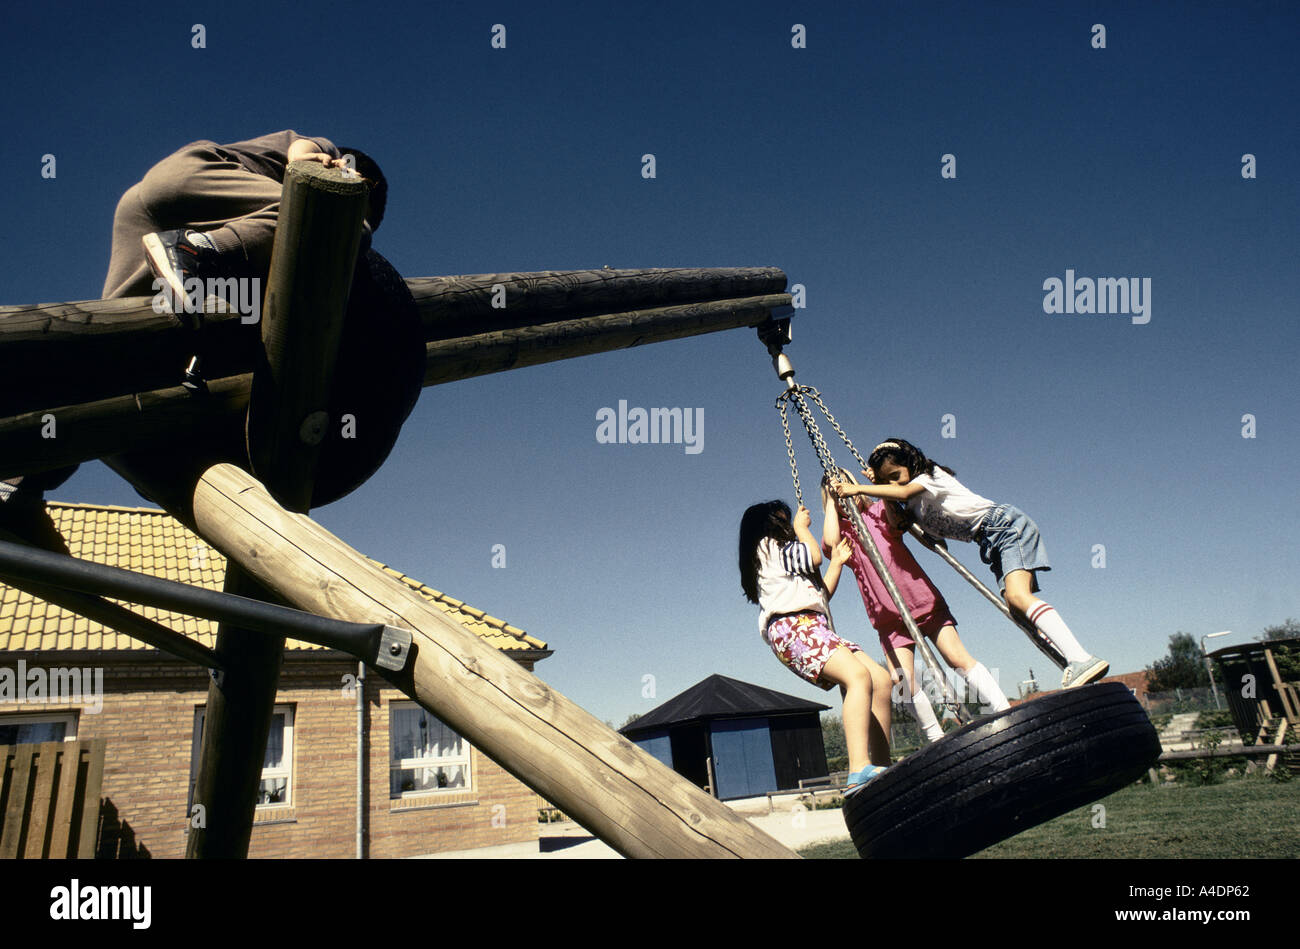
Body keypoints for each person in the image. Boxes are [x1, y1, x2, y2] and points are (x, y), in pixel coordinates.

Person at [831, 438, 1109, 690]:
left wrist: (858, 487)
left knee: (1017, 596)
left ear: (909, 463)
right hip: (989, 542)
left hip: (1003, 525)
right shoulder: (916, 506)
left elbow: (902, 493)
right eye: (887, 481)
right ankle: (1068, 659)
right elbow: (901, 515)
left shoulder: (930, 476)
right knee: (1016, 607)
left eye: (896, 476)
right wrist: (882, 488)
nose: (895, 484)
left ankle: (1080, 657)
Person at [820, 470, 1010, 742]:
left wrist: (874, 486)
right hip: (888, 617)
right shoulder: (844, 534)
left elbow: (897, 515)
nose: (840, 492)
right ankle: (935, 736)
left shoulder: (876, 513)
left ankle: (1003, 710)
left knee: (957, 658)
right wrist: (830, 502)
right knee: (901, 681)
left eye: (844, 486)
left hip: (920, 599)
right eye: (833, 491)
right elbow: (830, 543)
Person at [739, 499, 892, 793]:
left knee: (880, 680)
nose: (790, 527)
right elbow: (813, 556)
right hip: (792, 627)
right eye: (783, 521)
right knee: (858, 677)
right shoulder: (768, 548)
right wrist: (803, 529)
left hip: (813, 625)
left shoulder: (787, 564)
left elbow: (821, 597)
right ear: (768, 527)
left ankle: (882, 768)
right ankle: (859, 768)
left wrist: (836, 563)